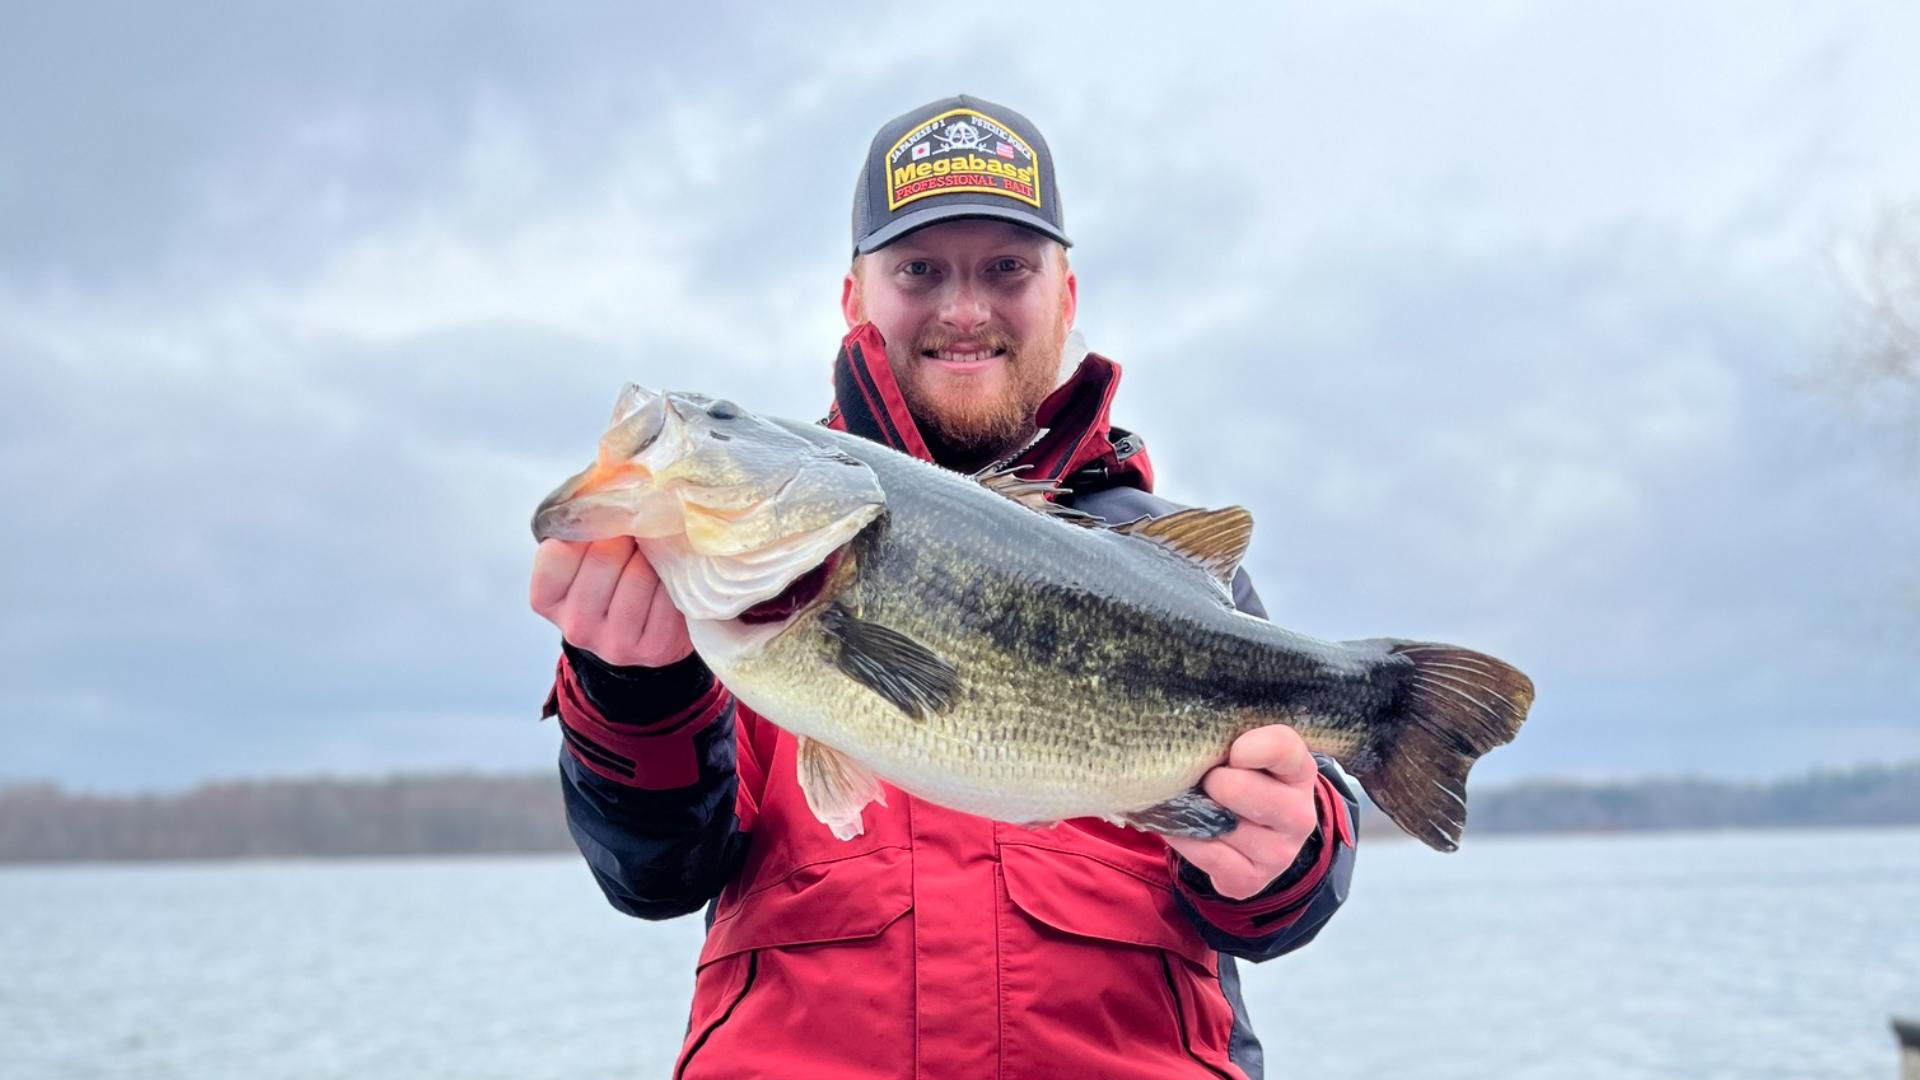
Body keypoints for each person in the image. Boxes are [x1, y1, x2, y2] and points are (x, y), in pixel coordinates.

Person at [529, 95, 1358, 1080]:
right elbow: (655, 872)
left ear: (1065, 295)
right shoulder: (728, 581)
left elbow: (1287, 899)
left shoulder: (1167, 567)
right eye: (919, 270)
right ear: (854, 300)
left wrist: (1292, 849)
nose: (965, 309)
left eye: (1008, 268)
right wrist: (633, 688)